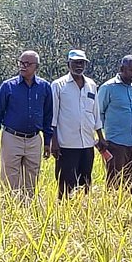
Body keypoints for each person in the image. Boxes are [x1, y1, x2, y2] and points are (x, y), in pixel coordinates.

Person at [0, 51, 54, 199]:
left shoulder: (44, 87)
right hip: (12, 137)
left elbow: (48, 116)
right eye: (21, 63)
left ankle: (27, 209)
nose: (23, 66)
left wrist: (47, 142)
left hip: (34, 139)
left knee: (31, 180)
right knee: (10, 180)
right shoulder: (8, 86)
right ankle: (10, 209)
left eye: (27, 64)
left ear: (36, 67)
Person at [49, 49, 106, 198]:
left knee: (85, 183)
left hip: (87, 143)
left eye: (81, 63)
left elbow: (95, 113)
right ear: (68, 64)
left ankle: (82, 209)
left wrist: (101, 137)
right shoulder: (58, 85)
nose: (79, 66)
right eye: (75, 63)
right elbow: (53, 116)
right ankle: (64, 209)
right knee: (66, 184)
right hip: (66, 144)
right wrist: (54, 142)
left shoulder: (91, 85)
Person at [97, 55, 132, 188]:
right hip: (116, 143)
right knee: (114, 183)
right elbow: (98, 113)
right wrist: (101, 138)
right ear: (122, 69)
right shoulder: (108, 87)